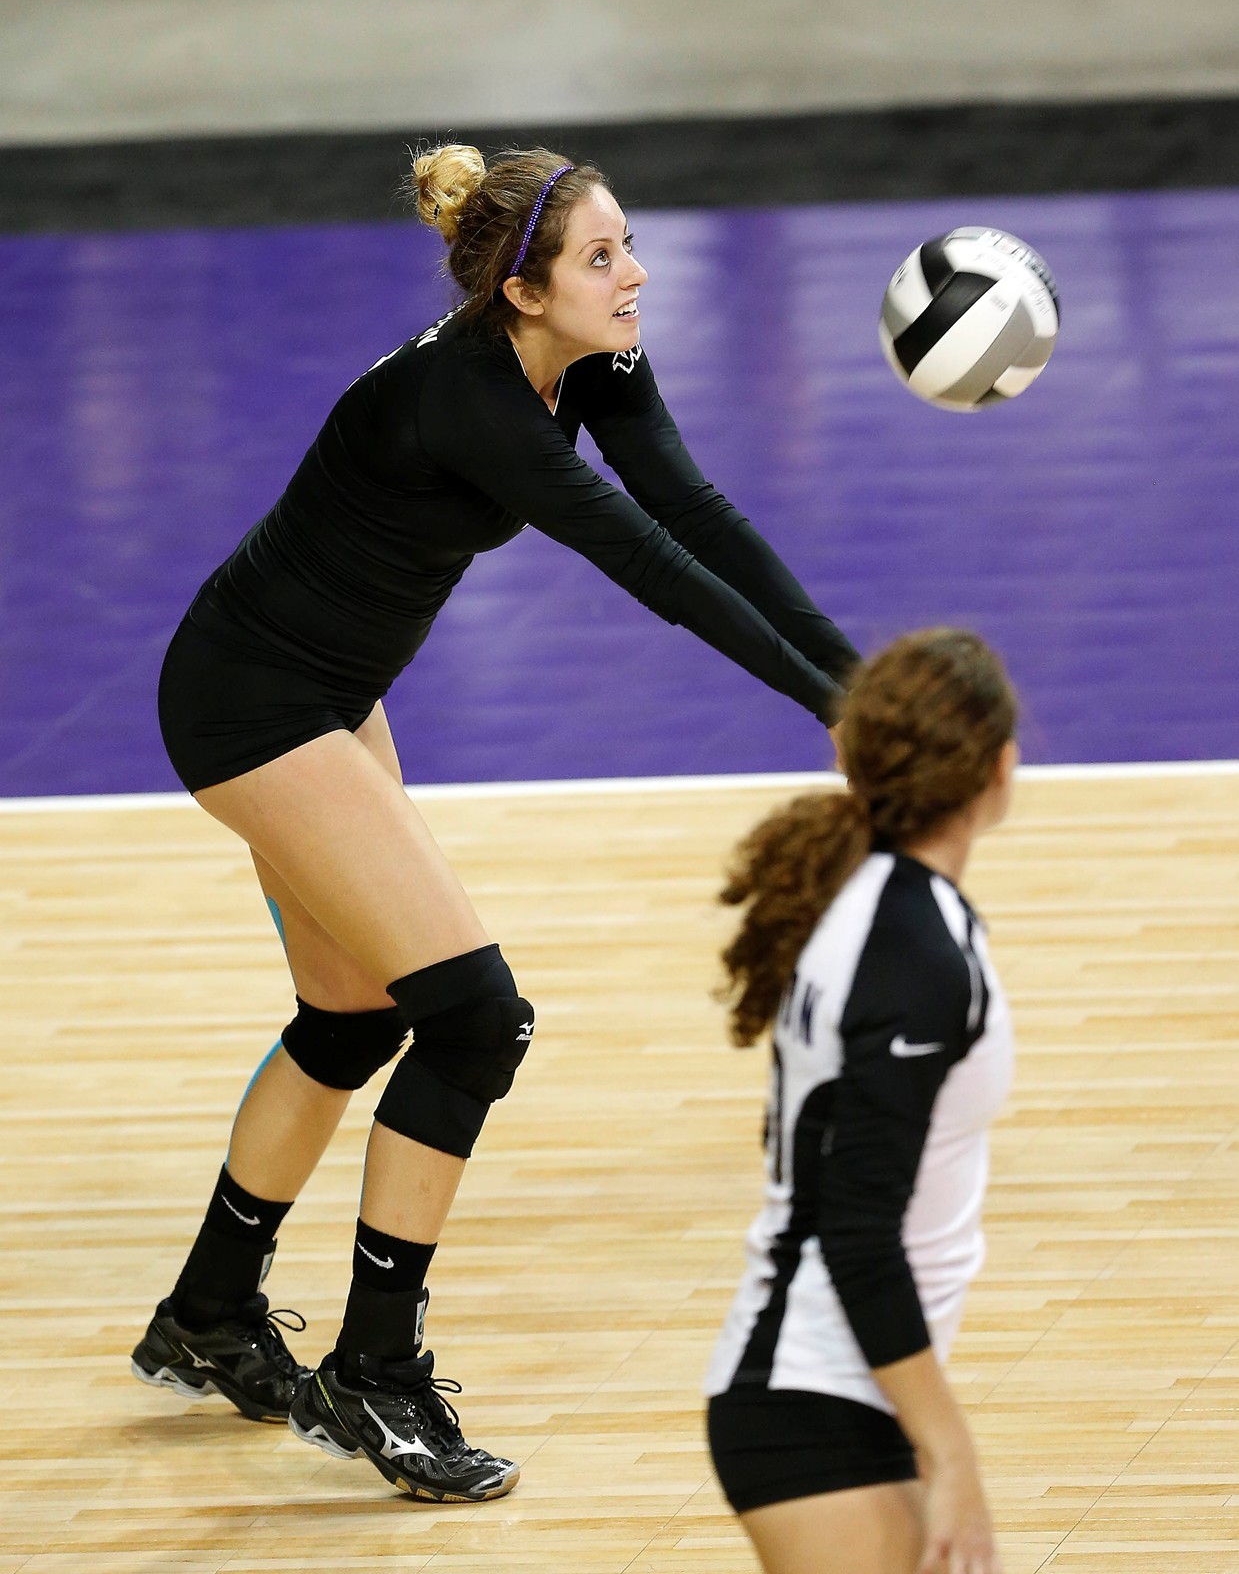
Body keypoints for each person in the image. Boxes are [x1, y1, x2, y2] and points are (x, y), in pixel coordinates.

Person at [130, 142, 861, 1503]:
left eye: (626, 245)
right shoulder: (467, 399)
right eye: (600, 259)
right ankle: (373, 1375)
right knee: (476, 1017)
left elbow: (693, 511)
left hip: (323, 693)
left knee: (353, 1018)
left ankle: (211, 1312)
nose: (633, 274)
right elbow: (640, 558)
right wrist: (834, 705)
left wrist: (852, 685)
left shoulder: (590, 358)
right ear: (523, 291)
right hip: (253, 705)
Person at [705, 627, 1018, 1574]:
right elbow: (855, 1229)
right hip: (813, 1403)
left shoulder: (880, 904)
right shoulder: (911, 954)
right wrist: (950, 1447)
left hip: (848, 1390)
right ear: (998, 769)